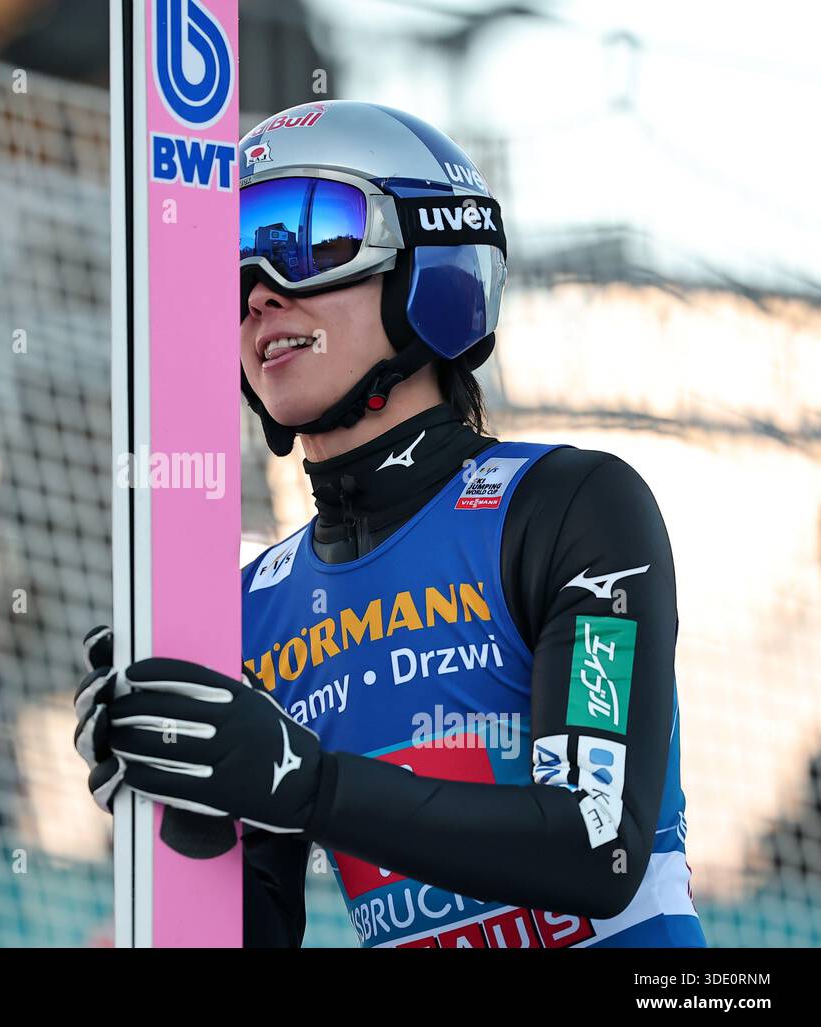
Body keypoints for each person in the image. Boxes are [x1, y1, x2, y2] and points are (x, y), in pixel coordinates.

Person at [74, 100, 705, 948]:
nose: (258, 291)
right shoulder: (253, 611)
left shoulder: (567, 506)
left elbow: (597, 844)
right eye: (227, 266)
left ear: (430, 264)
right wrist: (175, 813)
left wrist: (306, 781)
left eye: (304, 235)